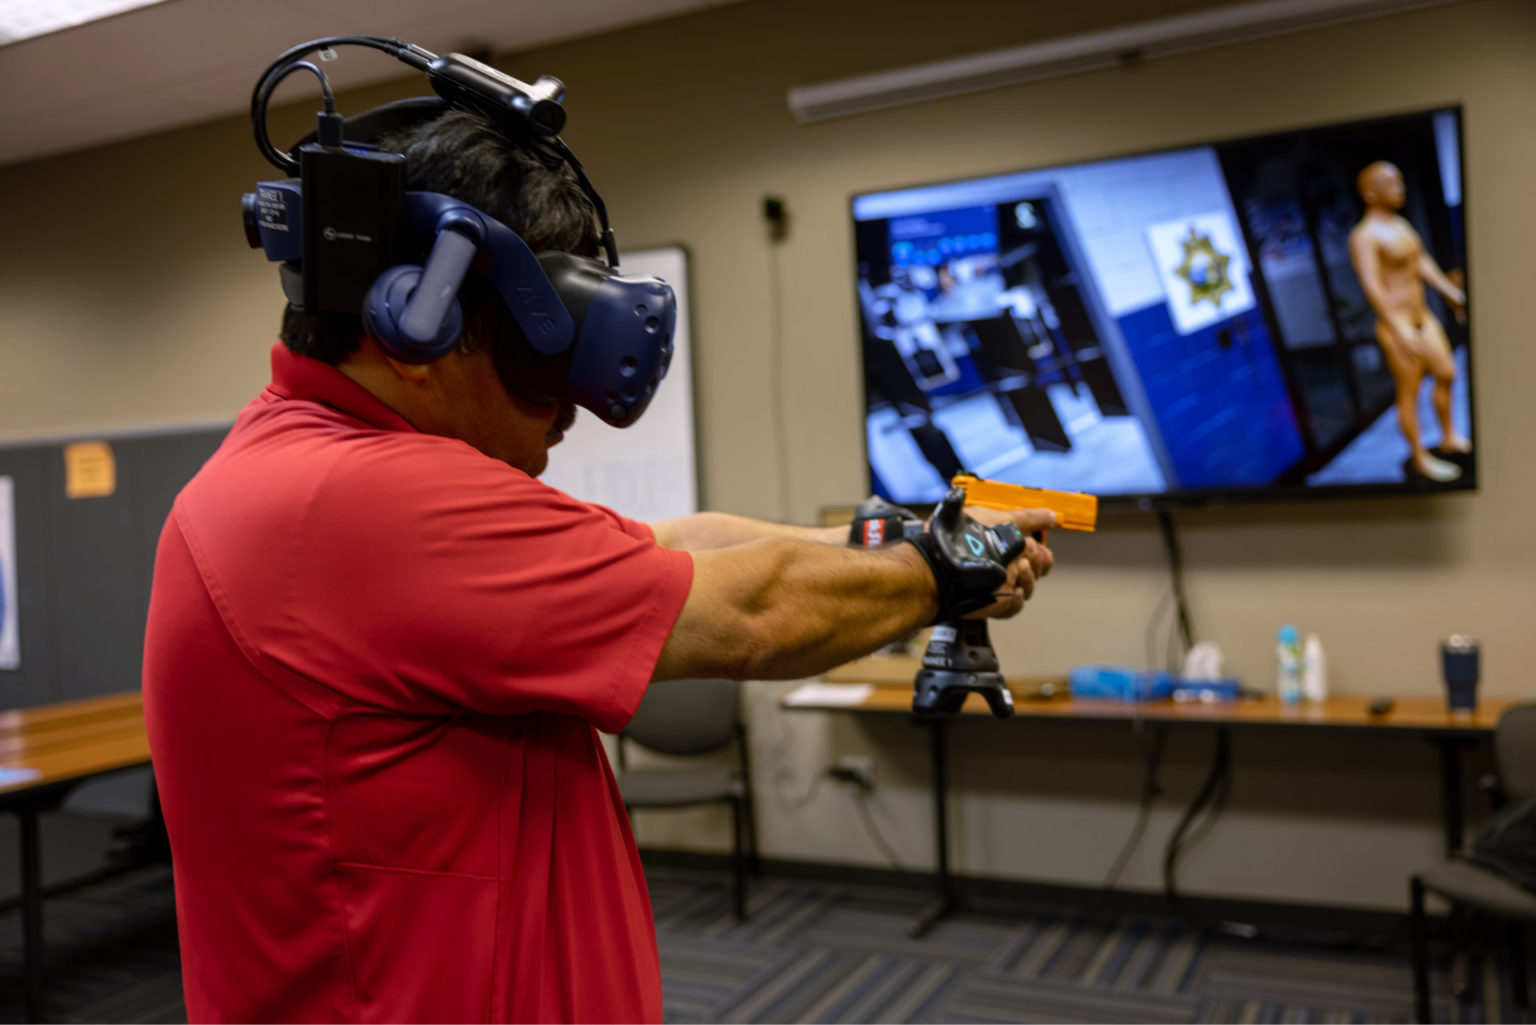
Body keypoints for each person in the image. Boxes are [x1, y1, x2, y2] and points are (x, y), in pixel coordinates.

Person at [142, 103, 1055, 1024]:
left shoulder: (309, 469)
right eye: (538, 345)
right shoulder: (355, 499)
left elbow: (666, 547)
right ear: (413, 320)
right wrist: (947, 566)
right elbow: (745, 615)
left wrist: (893, 535)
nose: (568, 402)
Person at [1348, 160, 1470, 481]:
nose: (1399, 188)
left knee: (1447, 372)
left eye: (1400, 181)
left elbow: (1421, 262)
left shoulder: (1401, 225)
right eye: (1391, 183)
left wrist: (1449, 292)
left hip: (1423, 319)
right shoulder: (1365, 236)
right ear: (1371, 193)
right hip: (1397, 326)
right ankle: (1419, 457)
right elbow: (1372, 285)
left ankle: (1448, 436)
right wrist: (1398, 327)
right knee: (1409, 394)